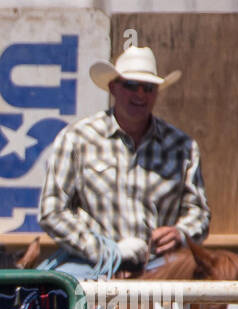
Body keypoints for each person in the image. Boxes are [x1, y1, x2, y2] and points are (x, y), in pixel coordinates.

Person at [38, 46, 210, 279]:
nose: (140, 95)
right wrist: (107, 251)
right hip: (93, 266)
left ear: (157, 92)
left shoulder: (183, 147)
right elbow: (52, 210)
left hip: (162, 269)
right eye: (130, 85)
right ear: (113, 87)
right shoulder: (78, 139)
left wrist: (180, 234)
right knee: (50, 301)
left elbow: (199, 213)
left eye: (148, 88)